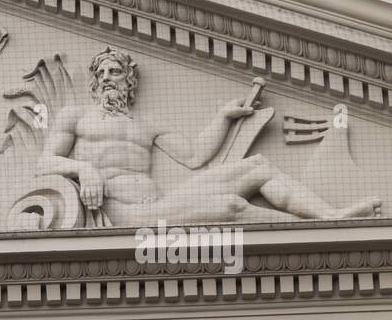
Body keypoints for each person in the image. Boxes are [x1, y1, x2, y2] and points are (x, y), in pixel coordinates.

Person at [39, 46, 382, 226]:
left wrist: (222, 116)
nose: (108, 77)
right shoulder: (77, 116)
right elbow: (44, 162)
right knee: (230, 206)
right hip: (121, 213)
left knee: (258, 165)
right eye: (102, 73)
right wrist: (84, 170)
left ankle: (329, 217)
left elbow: (194, 156)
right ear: (95, 82)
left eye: (115, 71)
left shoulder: (147, 123)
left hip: (159, 204)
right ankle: (305, 229)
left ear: (129, 80)